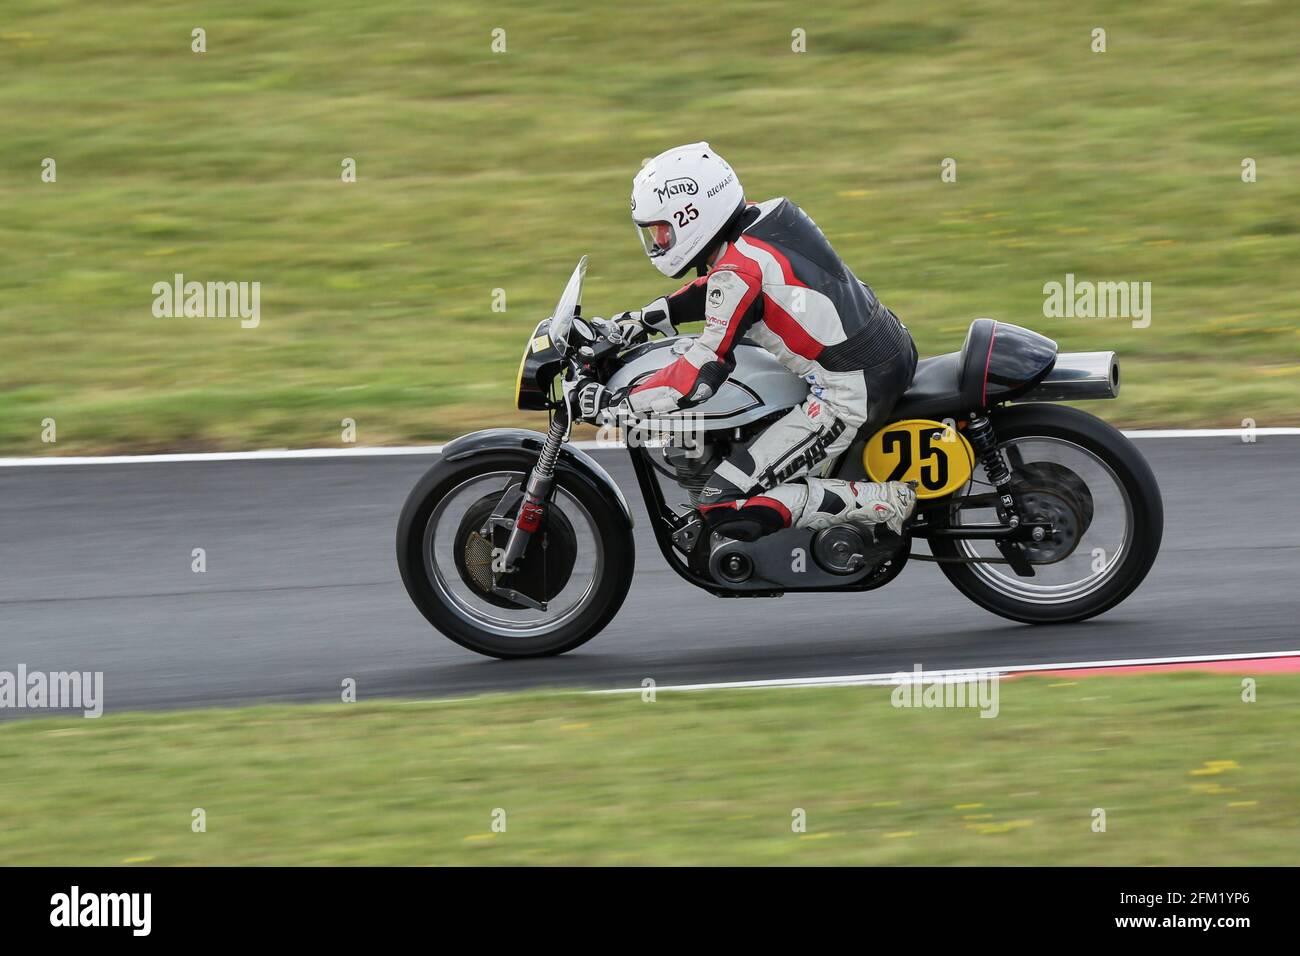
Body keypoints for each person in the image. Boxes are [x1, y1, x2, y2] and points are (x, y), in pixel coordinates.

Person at [575, 142, 919, 542]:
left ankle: (886, 502)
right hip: (890, 348)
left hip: (849, 393)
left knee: (721, 504)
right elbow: (720, 288)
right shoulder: (766, 219)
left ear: (693, 215)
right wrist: (642, 319)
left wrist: (614, 405)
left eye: (662, 228)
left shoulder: (740, 270)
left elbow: (700, 374)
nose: (659, 240)